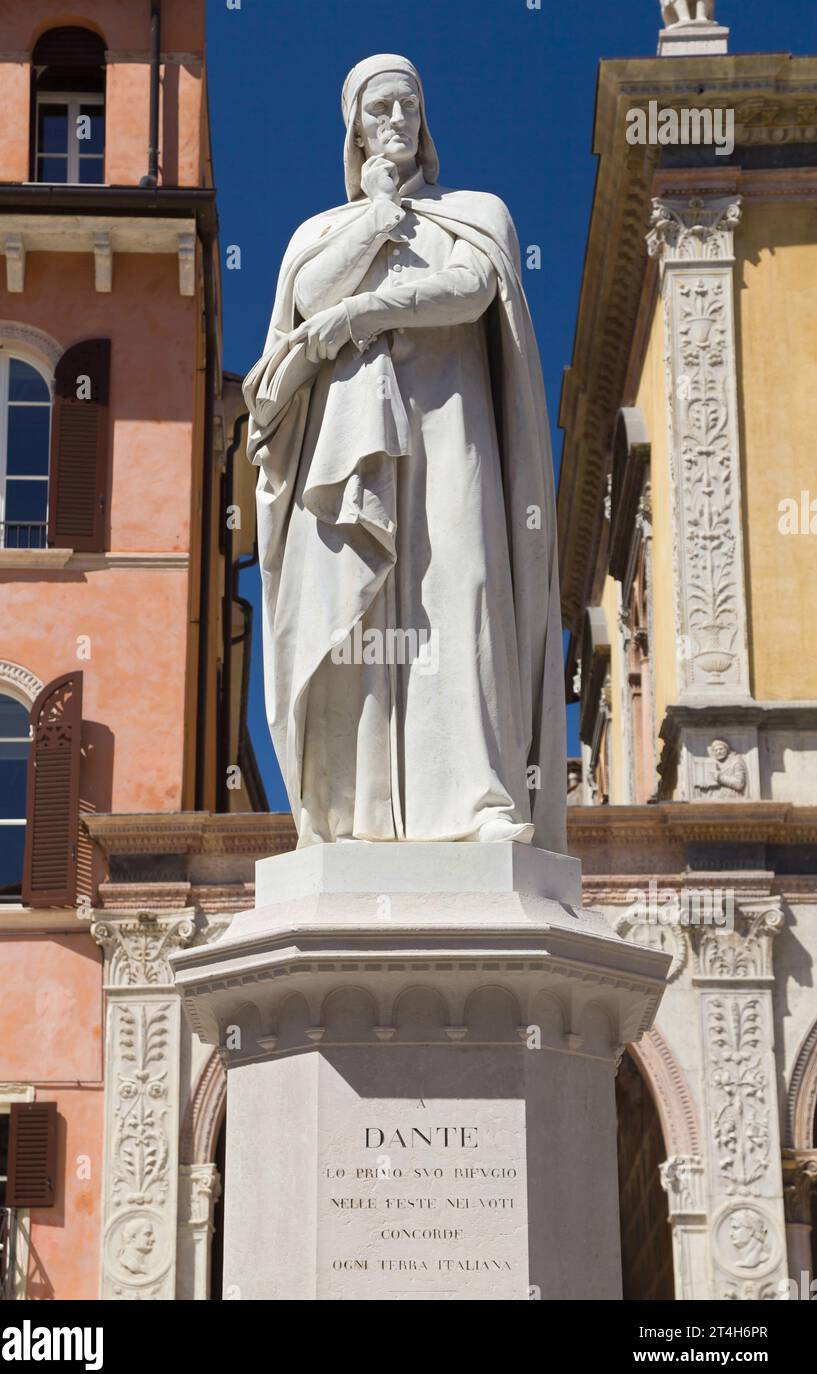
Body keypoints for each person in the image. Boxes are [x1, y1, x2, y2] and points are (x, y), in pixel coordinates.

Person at [244, 55, 565, 851]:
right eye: (380, 108)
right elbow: (305, 302)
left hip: (452, 433)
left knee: (464, 592)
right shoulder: (320, 233)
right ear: (354, 128)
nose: (397, 120)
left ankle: (482, 802)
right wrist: (378, 220)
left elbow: (470, 291)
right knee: (355, 613)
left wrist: (363, 314)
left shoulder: (475, 212)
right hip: (346, 449)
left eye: (408, 105)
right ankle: (354, 817)